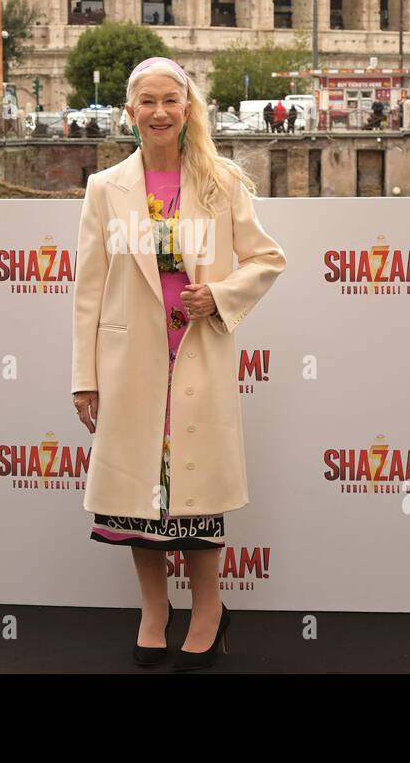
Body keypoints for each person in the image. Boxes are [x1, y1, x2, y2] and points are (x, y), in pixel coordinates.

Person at [71, 56, 286, 671]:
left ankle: (210, 612)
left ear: (187, 108)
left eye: (171, 100)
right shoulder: (104, 188)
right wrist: (84, 377)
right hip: (131, 363)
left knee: (196, 494)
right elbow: (89, 289)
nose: (160, 112)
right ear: (130, 110)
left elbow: (266, 259)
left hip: (195, 358)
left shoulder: (222, 182)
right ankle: (154, 610)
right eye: (148, 101)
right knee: (136, 498)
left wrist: (216, 296)